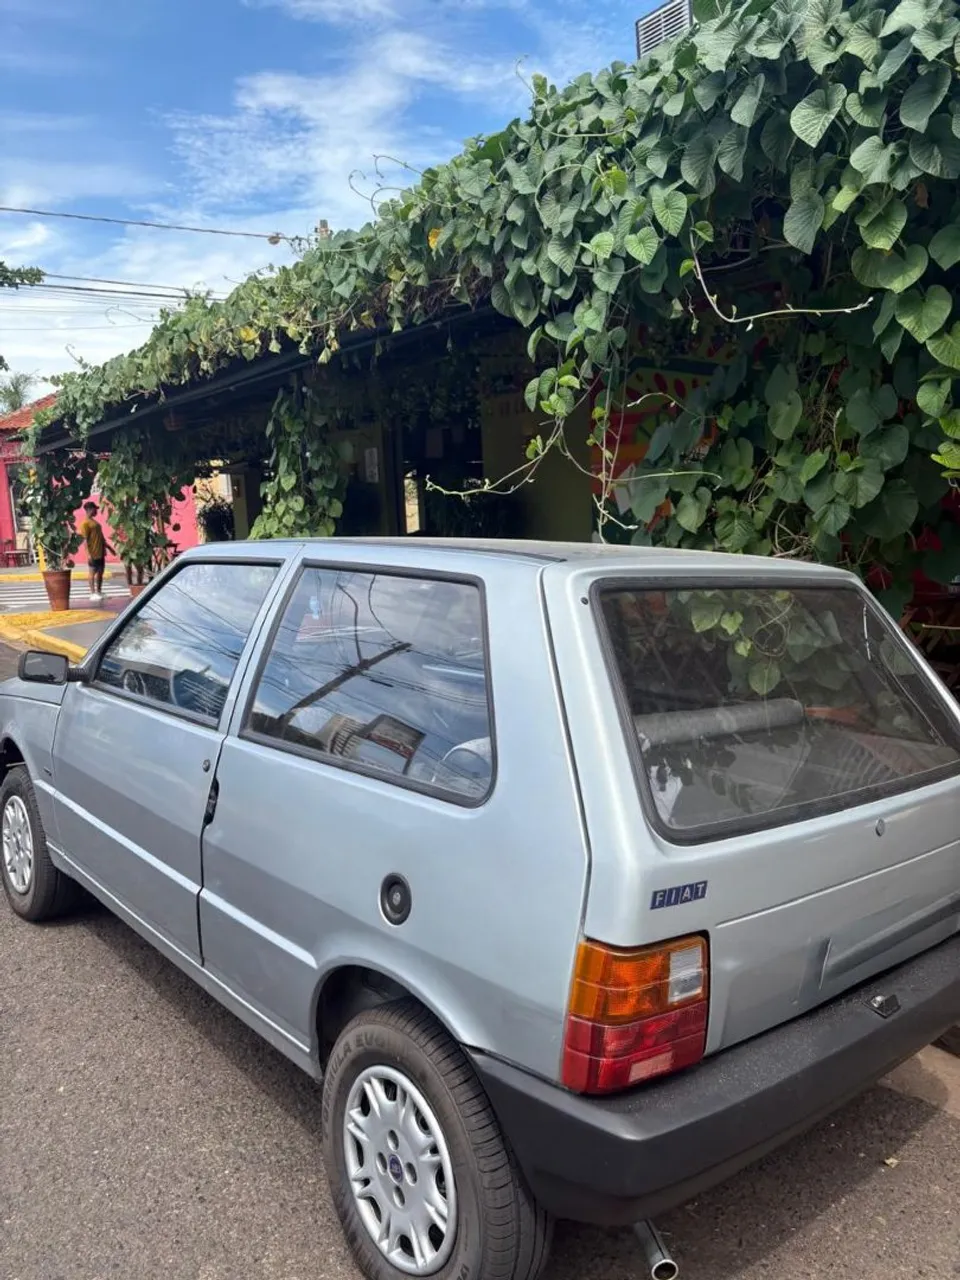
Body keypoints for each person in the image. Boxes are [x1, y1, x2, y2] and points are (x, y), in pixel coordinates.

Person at [78, 502, 114, 605]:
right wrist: (88, 554)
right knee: (92, 573)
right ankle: (92, 593)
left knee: (100, 573)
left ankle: (99, 591)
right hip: (93, 552)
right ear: (89, 509)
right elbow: (84, 540)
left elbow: (102, 538)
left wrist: (109, 548)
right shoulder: (85, 523)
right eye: (95, 509)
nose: (96, 511)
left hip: (100, 552)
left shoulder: (95, 523)